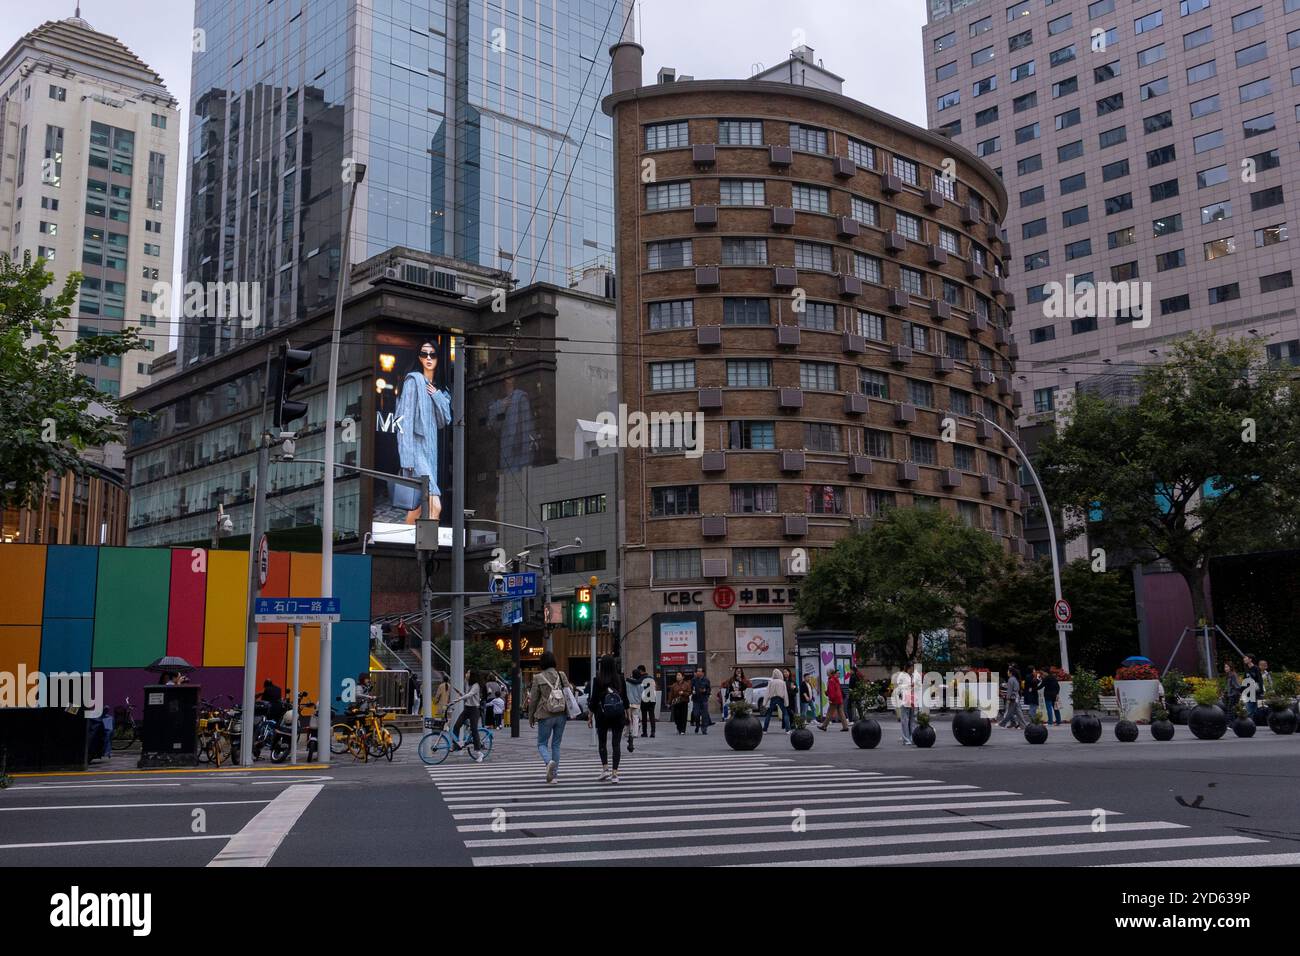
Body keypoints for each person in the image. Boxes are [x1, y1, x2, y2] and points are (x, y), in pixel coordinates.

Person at [395, 341, 452, 523]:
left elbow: (445, 420)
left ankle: (405, 542)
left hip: (431, 454)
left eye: (432, 354)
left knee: (419, 508)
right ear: (419, 357)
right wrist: (407, 458)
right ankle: (429, 549)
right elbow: (404, 421)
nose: (428, 358)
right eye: (424, 354)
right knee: (435, 506)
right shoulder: (413, 381)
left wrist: (436, 395)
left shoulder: (441, 390)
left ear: (438, 358)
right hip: (416, 453)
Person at [528, 651, 570, 784]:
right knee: (556, 744)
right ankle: (554, 776)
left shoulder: (538, 678)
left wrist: (531, 717)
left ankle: (548, 762)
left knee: (541, 744)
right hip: (561, 714)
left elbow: (534, 700)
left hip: (545, 714)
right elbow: (568, 693)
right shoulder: (561, 675)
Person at [588, 655, 630, 782]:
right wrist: (628, 715)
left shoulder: (598, 679)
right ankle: (615, 774)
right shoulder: (620, 679)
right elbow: (625, 699)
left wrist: (590, 716)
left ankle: (605, 769)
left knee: (602, 742)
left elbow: (593, 700)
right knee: (616, 743)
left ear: (602, 665)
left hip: (602, 715)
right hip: (618, 715)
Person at [450, 670, 486, 762]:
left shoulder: (476, 685)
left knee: (474, 730)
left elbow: (470, 695)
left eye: (468, 673)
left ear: (472, 675)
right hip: (467, 708)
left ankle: (479, 753)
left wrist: (459, 699)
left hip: (474, 710)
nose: (466, 674)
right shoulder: (467, 683)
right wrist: (461, 694)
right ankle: (456, 744)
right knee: (456, 725)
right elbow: (467, 695)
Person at [761, 667, 791, 732]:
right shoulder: (782, 682)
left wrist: (764, 703)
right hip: (780, 698)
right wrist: (786, 703)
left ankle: (765, 730)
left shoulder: (771, 682)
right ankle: (788, 730)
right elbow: (785, 693)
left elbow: (767, 693)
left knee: (769, 714)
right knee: (785, 713)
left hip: (773, 699)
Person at [895, 665, 916, 745]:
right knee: (905, 720)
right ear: (907, 668)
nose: (912, 670)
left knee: (912, 720)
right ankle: (906, 739)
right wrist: (909, 686)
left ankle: (912, 738)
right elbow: (898, 687)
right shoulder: (902, 676)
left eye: (913, 668)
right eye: (910, 668)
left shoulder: (914, 676)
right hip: (905, 700)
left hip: (913, 699)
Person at [690, 666, 712, 734]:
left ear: (703, 673)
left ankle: (704, 729)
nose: (699, 672)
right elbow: (691, 688)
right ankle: (697, 725)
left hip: (704, 699)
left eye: (700, 671)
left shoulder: (706, 680)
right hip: (696, 700)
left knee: (704, 715)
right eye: (697, 671)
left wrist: (705, 691)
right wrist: (692, 692)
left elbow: (709, 689)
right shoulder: (693, 680)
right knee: (696, 714)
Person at [638, 667, 658, 738]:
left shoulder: (641, 678)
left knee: (644, 716)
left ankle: (645, 732)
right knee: (652, 715)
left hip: (645, 699)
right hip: (652, 699)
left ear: (641, 671)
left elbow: (638, 685)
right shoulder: (651, 678)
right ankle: (653, 732)